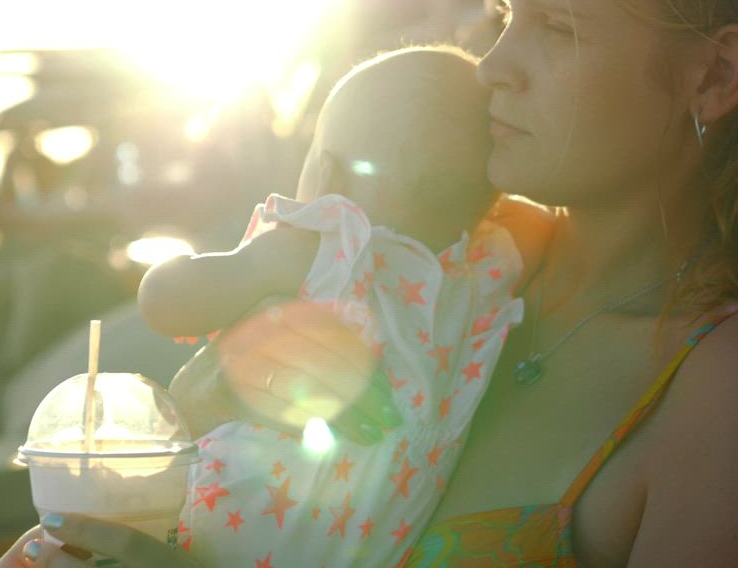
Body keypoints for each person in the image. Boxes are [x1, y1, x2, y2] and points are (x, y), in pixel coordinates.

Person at [0, 0, 738, 565]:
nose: (492, 66)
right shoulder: (449, 262)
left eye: (558, 28)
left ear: (715, 75)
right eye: (507, 14)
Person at [137, 47, 520, 565]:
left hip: (232, 523)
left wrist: (172, 268)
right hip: (361, 540)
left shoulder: (326, 242)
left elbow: (166, 304)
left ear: (326, 172)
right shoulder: (481, 275)